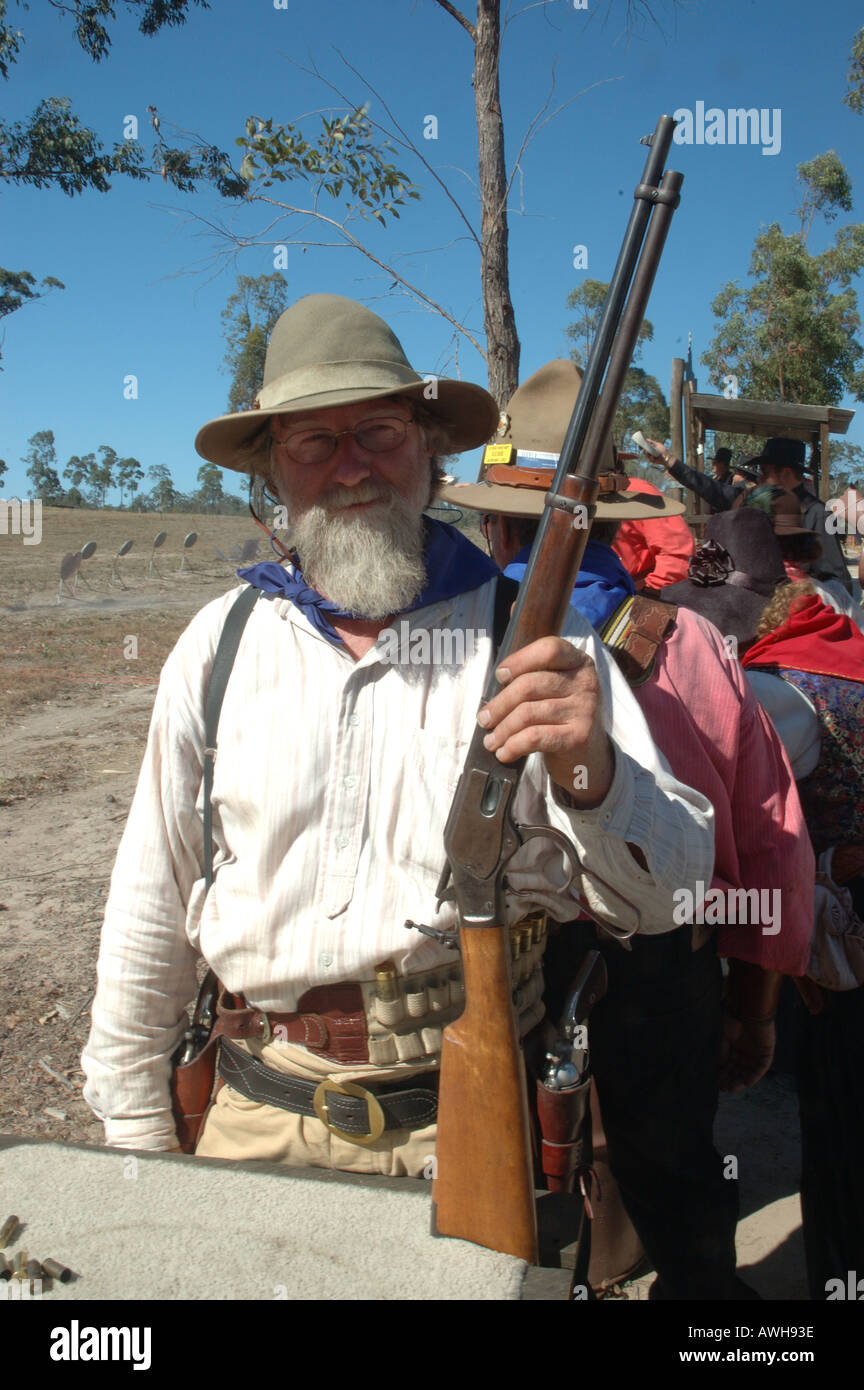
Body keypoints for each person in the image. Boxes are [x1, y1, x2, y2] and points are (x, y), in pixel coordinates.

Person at [81, 296, 714, 1176]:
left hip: (472, 1117)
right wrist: (136, 1138)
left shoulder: (538, 643)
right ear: (273, 471)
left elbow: (672, 900)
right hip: (255, 1113)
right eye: (314, 442)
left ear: (429, 447)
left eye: (377, 431)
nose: (352, 469)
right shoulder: (218, 647)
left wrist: (592, 771)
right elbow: (149, 908)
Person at [441, 359, 814, 1300]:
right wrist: (753, 1011)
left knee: (514, 1212)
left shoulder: (448, 647)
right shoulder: (694, 642)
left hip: (512, 969)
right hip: (669, 970)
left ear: (492, 518)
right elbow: (772, 843)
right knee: (685, 1201)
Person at [742, 581, 864, 1299]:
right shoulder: (855, 663)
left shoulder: (777, 687)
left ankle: (842, 1276)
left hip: (835, 923)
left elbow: (763, 829)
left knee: (839, 1116)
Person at [748, 438, 851, 594]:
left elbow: (838, 584)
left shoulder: (818, 514)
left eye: (764, 472)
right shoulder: (764, 510)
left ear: (786, 474)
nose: (759, 479)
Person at [613, 473, 695, 592]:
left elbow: (677, 555)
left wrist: (647, 593)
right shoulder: (582, 496)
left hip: (633, 593)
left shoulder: (637, 491)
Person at [645, 440, 746, 513]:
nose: (713, 464)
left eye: (716, 462)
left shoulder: (733, 482)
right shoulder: (714, 479)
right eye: (713, 462)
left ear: (724, 464)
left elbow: (706, 486)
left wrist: (667, 460)